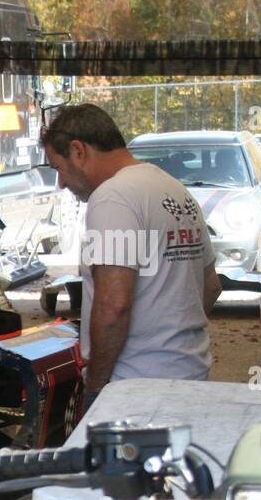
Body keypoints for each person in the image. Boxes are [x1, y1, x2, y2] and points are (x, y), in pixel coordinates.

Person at [41, 104, 222, 407]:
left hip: (135, 390)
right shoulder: (173, 189)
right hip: (191, 374)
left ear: (78, 151)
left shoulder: (113, 197)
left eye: (57, 167)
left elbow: (114, 306)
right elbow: (211, 285)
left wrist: (96, 387)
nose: (61, 183)